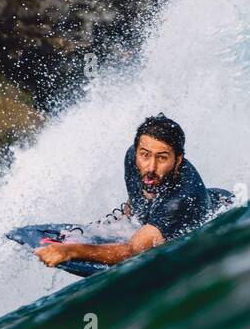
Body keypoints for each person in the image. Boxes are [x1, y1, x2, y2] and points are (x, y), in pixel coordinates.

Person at [35, 114, 212, 268]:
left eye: (162, 158)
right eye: (144, 155)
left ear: (178, 160)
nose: (151, 167)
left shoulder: (180, 199)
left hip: (213, 220)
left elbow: (133, 251)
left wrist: (71, 251)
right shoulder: (132, 157)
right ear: (136, 151)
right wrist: (125, 216)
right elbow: (137, 193)